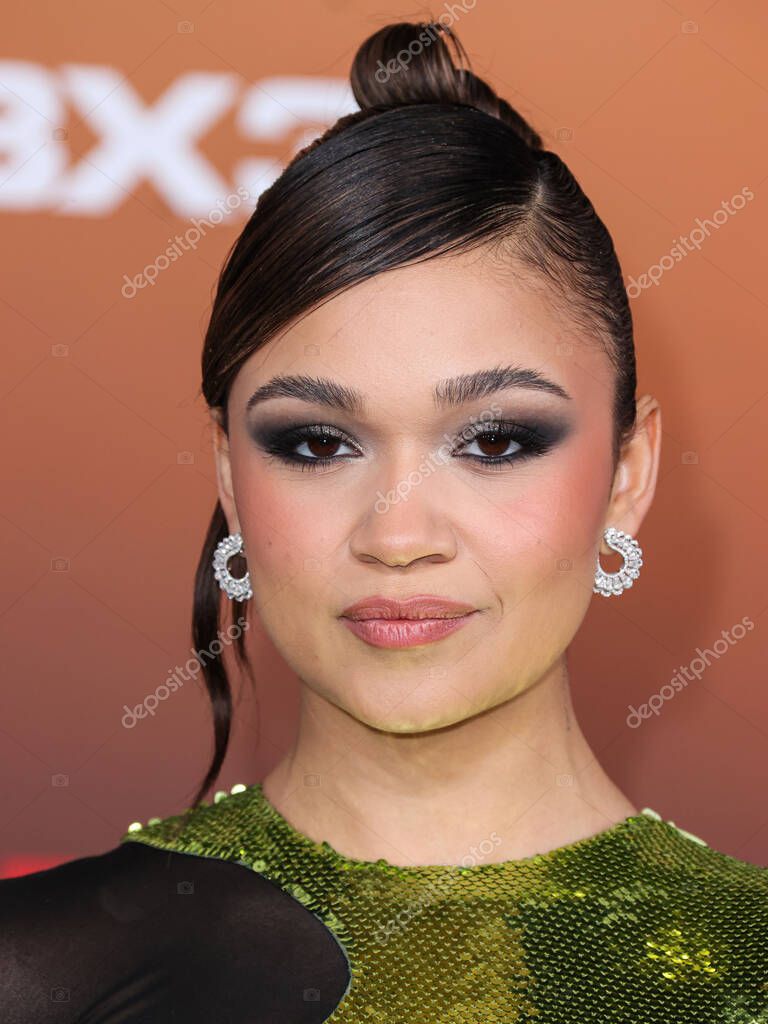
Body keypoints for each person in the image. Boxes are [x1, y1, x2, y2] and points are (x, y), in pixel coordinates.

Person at [2, 19, 767, 1024]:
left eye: (494, 441)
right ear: (231, 474)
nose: (399, 535)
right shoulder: (39, 973)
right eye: (318, 444)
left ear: (628, 473)